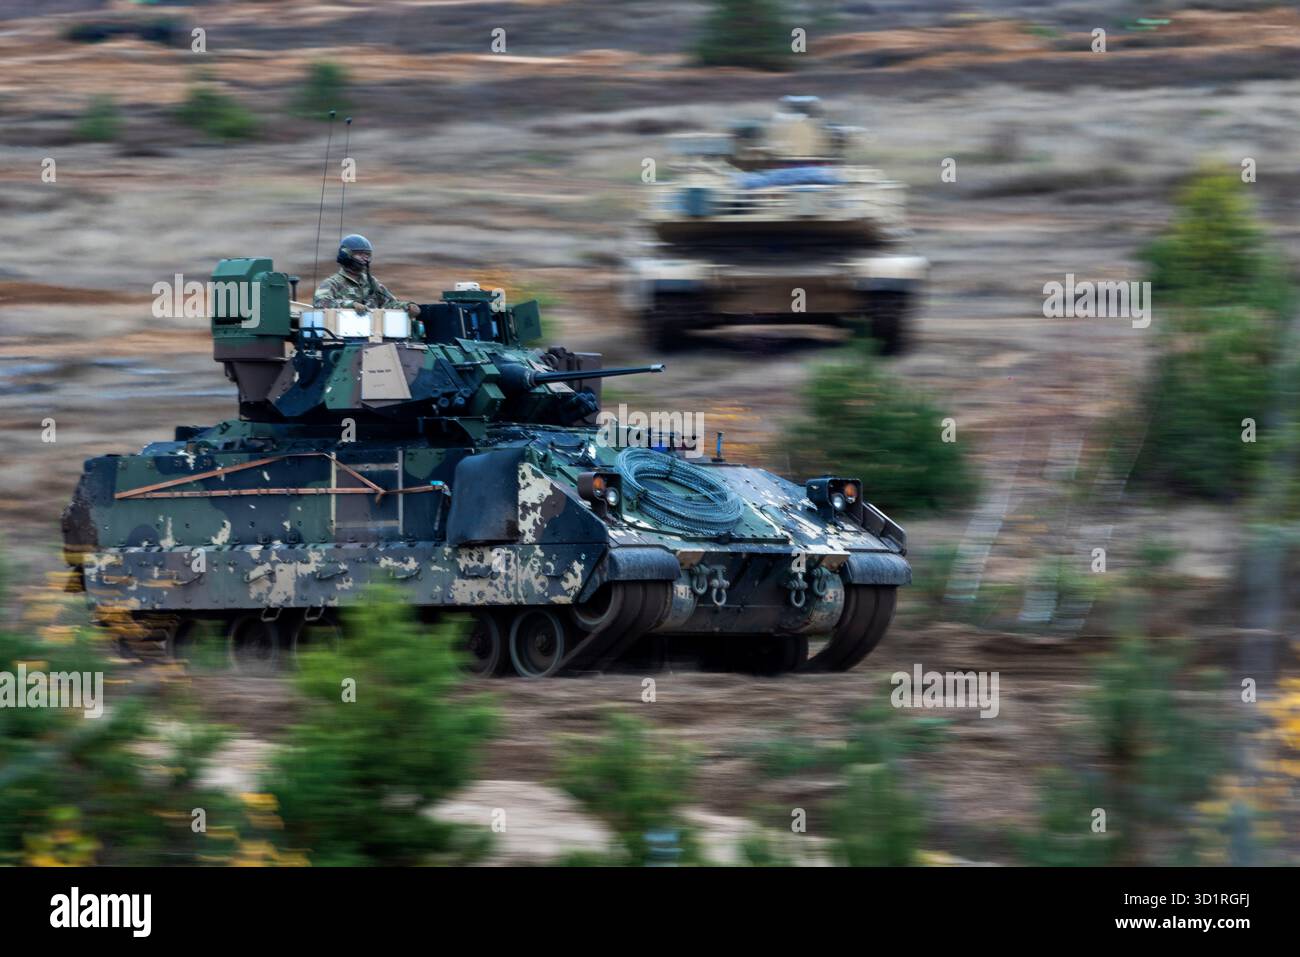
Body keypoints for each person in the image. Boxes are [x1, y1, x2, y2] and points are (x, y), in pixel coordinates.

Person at [312, 234, 420, 317]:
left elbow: (389, 304)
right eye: (359, 254)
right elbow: (320, 302)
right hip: (344, 335)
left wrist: (407, 306)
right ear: (346, 255)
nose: (365, 258)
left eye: (367, 255)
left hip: (374, 334)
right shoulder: (333, 283)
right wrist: (351, 305)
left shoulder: (371, 282)